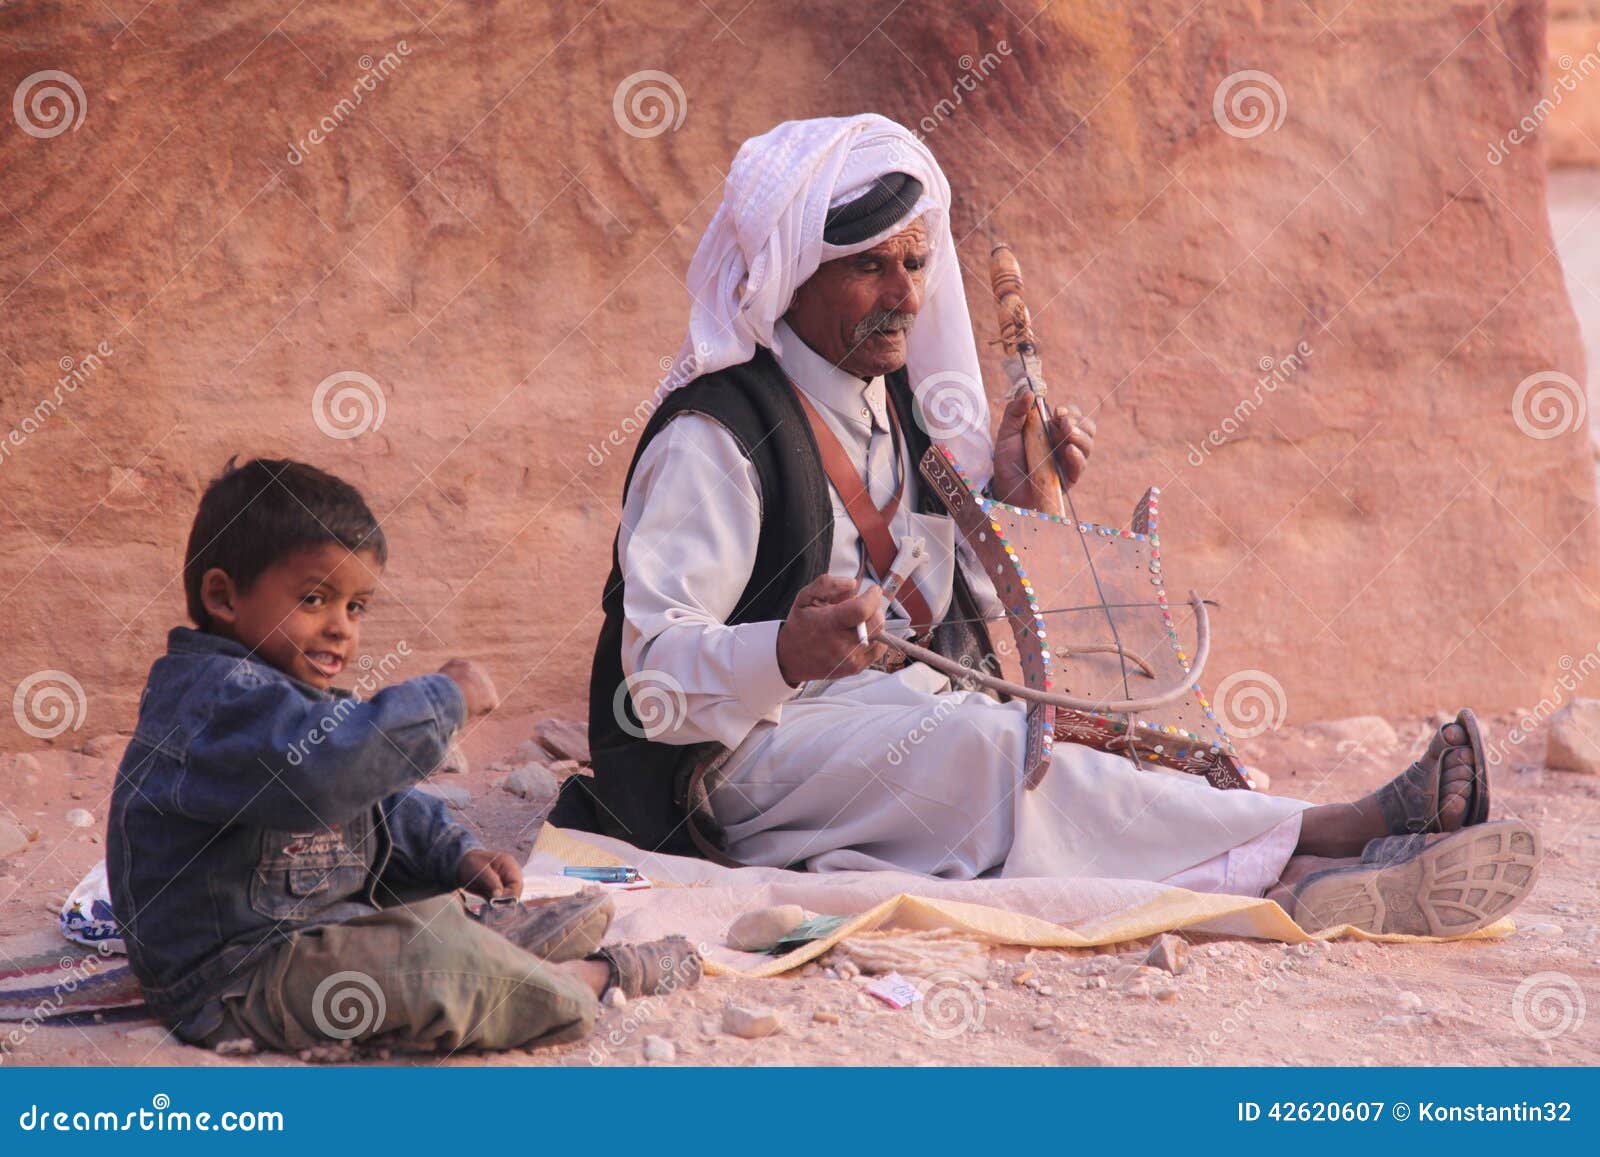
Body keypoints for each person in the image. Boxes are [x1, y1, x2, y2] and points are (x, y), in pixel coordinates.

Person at [552, 114, 1542, 938]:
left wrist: (1020, 505)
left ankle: (1310, 871)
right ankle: (1333, 834)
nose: (903, 296)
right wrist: (784, 649)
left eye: (914, 263)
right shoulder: (714, 438)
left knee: (1084, 736)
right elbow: (655, 685)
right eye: (869, 267)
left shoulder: (893, 415)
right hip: (743, 764)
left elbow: (950, 620)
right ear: (790, 274)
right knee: (989, 750)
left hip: (887, 717)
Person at [108, 458, 700, 1055]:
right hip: (234, 978)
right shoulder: (214, 703)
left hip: (323, 929)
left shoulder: (285, 696)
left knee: (432, 910)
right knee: (431, 961)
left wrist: (456, 853)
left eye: (355, 608)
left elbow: (375, 801)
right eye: (315, 599)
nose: (341, 628)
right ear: (223, 597)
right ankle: (587, 979)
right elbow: (325, 774)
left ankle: (482, 949)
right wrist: (440, 699)